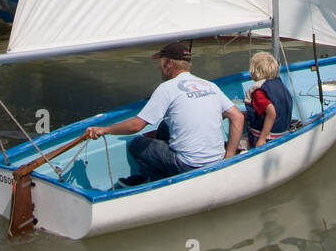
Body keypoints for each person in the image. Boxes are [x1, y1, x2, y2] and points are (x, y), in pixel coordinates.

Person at [84, 42, 245, 186]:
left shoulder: (167, 88)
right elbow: (238, 117)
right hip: (216, 159)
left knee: (136, 144)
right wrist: (228, 157)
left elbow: (136, 125)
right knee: (163, 127)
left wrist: (104, 129)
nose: (159, 67)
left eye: (161, 62)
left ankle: (154, 180)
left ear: (169, 64)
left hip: (187, 165)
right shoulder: (209, 85)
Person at [243, 51, 293, 147]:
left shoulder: (258, 92)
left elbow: (271, 113)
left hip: (268, 138)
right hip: (283, 133)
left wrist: (262, 139)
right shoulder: (279, 84)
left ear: (256, 72)